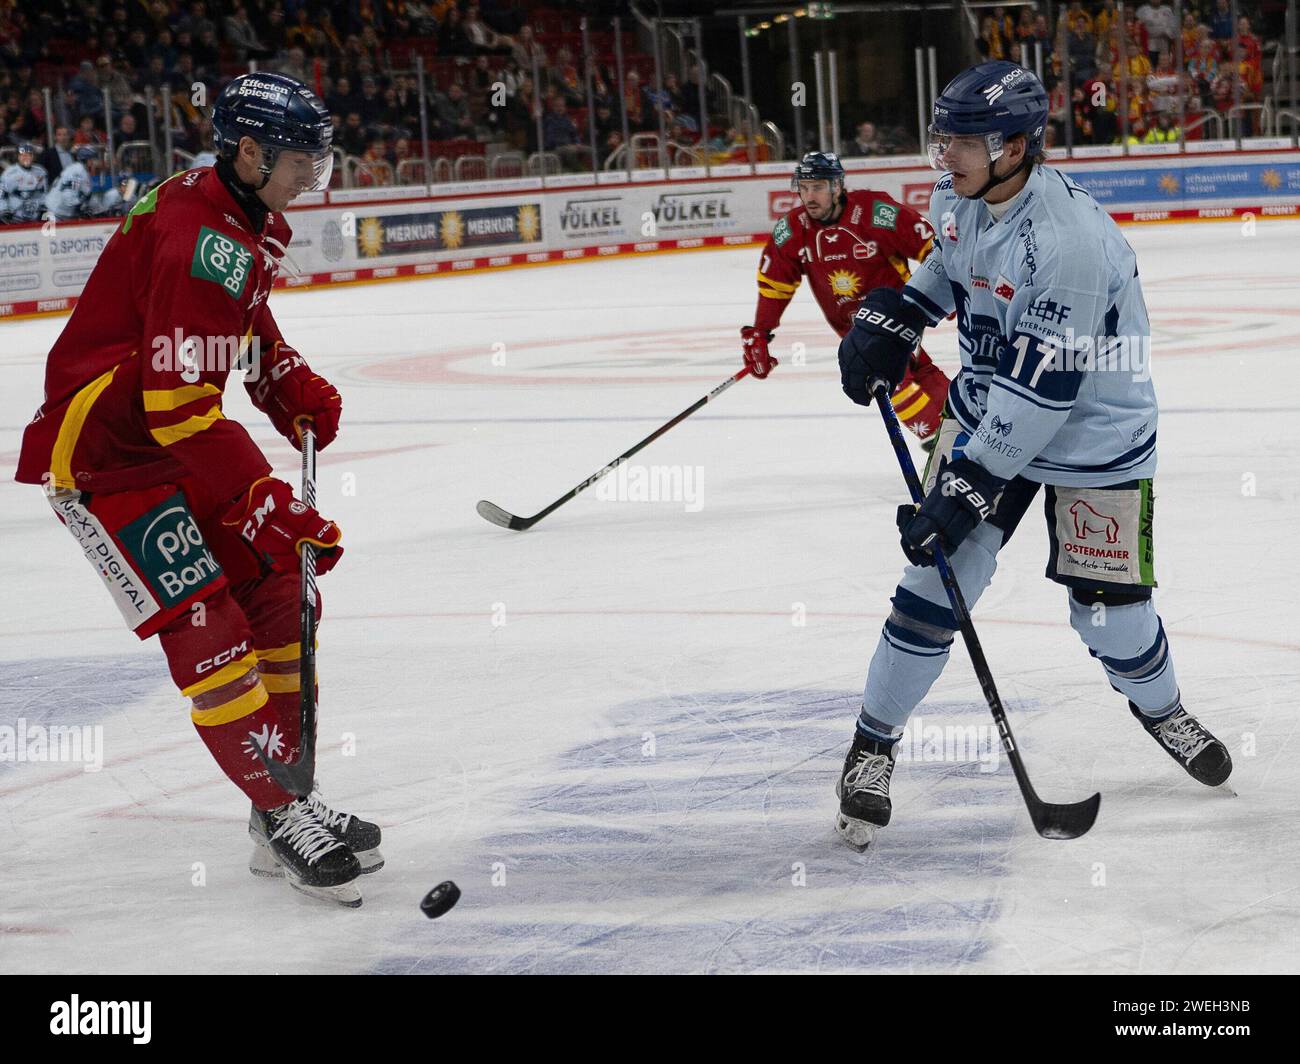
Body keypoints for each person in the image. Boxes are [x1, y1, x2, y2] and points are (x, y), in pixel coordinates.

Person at [832, 61, 1231, 850]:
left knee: (1110, 617)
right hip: (991, 408)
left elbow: (1043, 396)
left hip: (1093, 437)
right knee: (933, 586)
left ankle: (1162, 709)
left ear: (1013, 147)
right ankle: (872, 743)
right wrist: (904, 315)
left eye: (961, 142)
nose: (944, 155)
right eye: (941, 137)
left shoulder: (1071, 244)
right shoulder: (960, 194)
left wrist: (969, 485)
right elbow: (951, 267)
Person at [15, 73, 381, 908]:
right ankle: (281, 805)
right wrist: (266, 501)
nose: (310, 177)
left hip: (169, 439)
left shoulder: (235, 213)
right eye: (299, 161)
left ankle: (278, 797)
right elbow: (177, 407)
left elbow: (237, 315)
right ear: (247, 151)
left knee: (281, 588)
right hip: (108, 458)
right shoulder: (195, 236)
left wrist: (283, 378)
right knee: (208, 629)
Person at [743, 152, 950, 442]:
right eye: (803, 188)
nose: (809, 196)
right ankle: (959, 432)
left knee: (886, 372)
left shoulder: (874, 211)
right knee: (917, 369)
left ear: (837, 186)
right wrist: (760, 333)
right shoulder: (792, 230)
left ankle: (941, 444)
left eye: (817, 187)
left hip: (897, 310)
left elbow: (930, 244)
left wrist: (946, 288)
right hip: (852, 326)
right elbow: (774, 286)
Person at [43, 145, 98, 220]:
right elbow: (68, 198)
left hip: (64, 213)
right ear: (88, 160)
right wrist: (81, 206)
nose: (96, 162)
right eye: (94, 159)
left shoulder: (81, 170)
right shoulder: (77, 171)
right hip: (56, 213)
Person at [1, 142, 48, 223]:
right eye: (23, 155)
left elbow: (43, 194)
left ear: (34, 157)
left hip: (35, 217)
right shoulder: (9, 173)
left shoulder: (41, 171)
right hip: (14, 218)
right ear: (18, 157)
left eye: (29, 155)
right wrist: (3, 210)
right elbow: (1, 194)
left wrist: (43, 209)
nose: (26, 157)